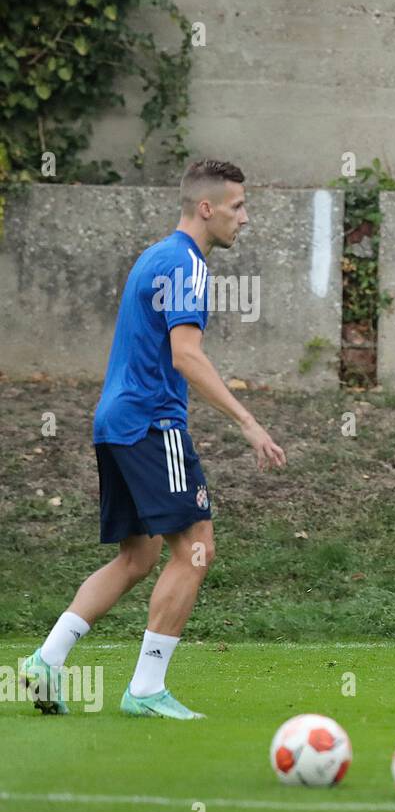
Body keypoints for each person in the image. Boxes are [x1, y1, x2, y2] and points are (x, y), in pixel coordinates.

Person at [18, 159, 287, 718]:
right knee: (195, 550)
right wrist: (247, 421)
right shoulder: (187, 264)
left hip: (114, 422)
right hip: (151, 423)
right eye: (238, 206)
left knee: (137, 557)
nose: (246, 217)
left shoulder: (155, 254)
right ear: (206, 208)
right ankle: (145, 689)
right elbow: (185, 354)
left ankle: (46, 660)